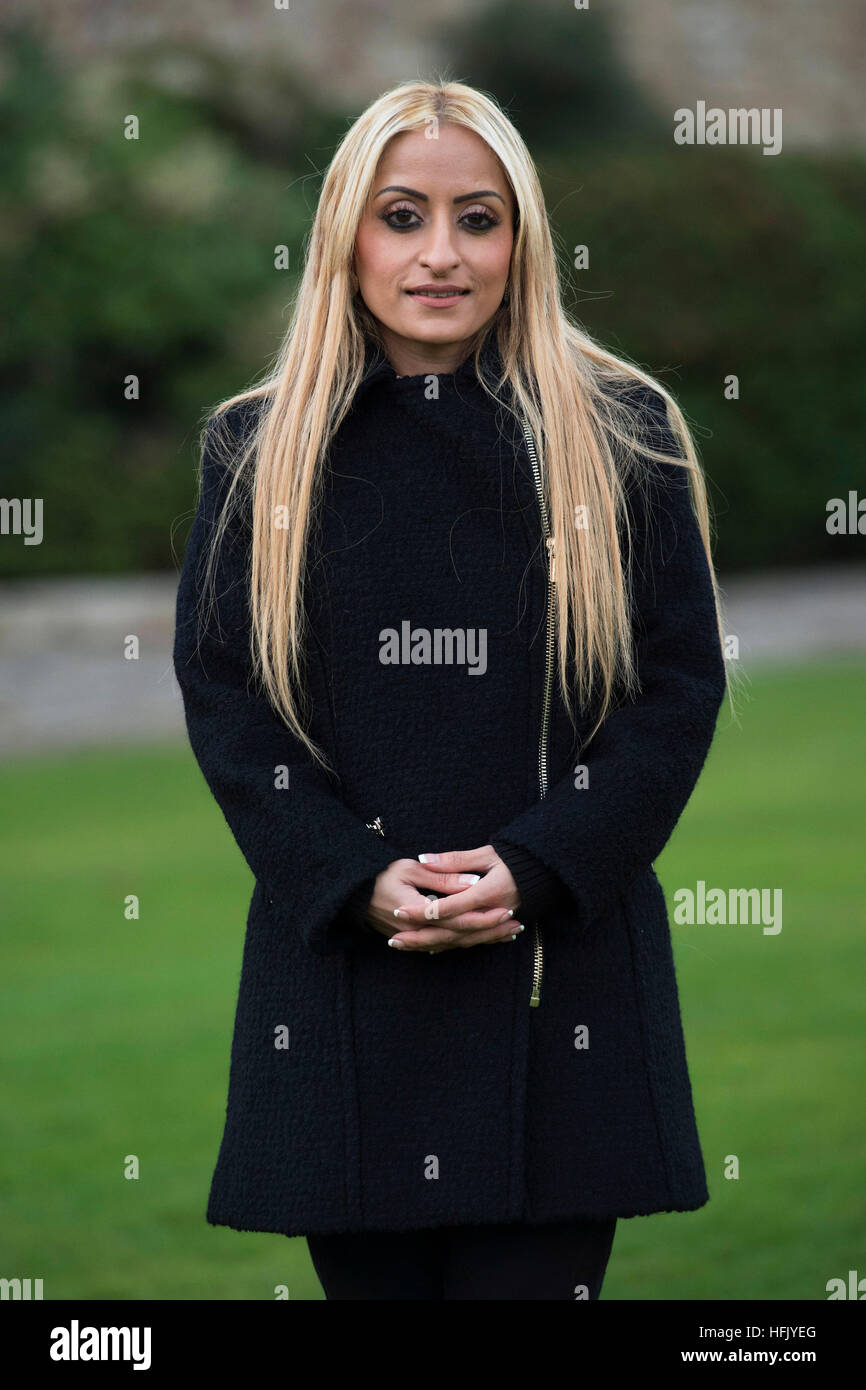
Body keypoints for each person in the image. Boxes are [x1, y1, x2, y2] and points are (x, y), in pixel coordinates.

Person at [173, 79, 731, 1301]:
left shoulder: (619, 432)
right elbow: (228, 703)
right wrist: (347, 873)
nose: (440, 253)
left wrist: (537, 867)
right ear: (344, 235)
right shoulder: (253, 450)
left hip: (557, 988)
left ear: (521, 238)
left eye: (476, 218)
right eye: (401, 214)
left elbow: (674, 690)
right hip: (343, 994)